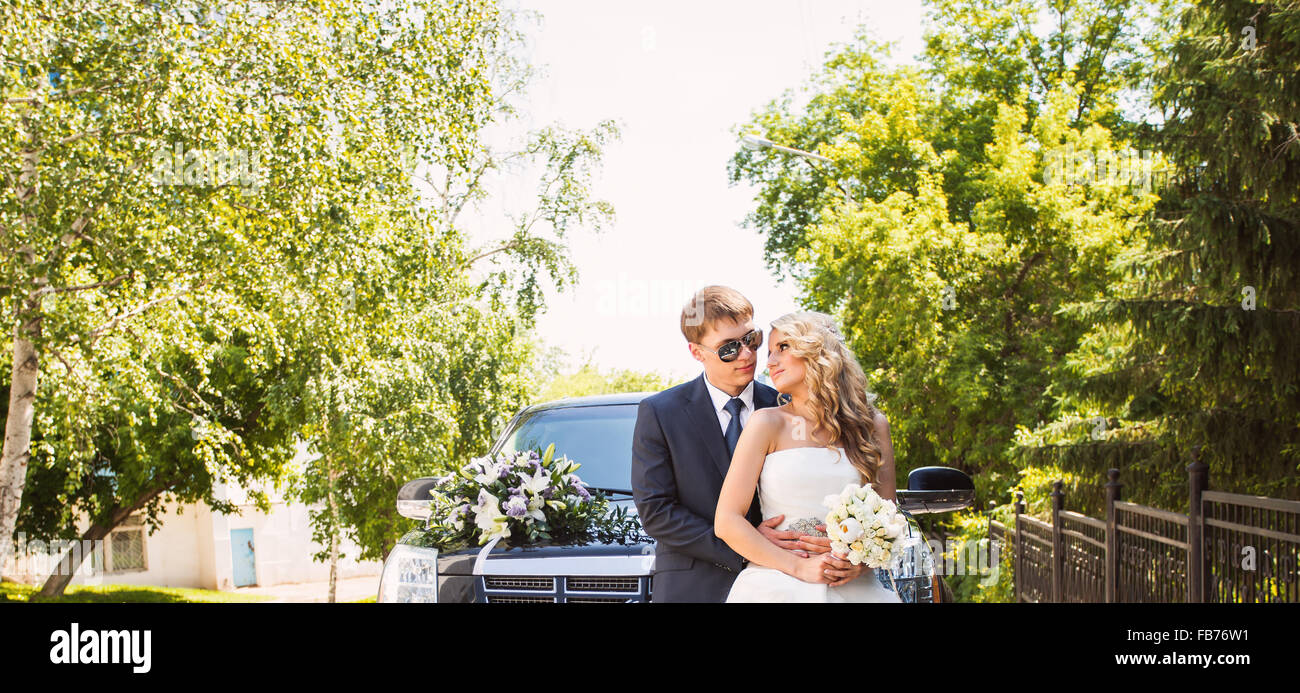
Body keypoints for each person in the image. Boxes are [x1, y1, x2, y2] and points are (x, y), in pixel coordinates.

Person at [631, 286, 864, 602]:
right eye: (728, 348)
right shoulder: (660, 412)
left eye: (751, 340)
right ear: (697, 352)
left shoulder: (785, 405)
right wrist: (747, 544)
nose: (747, 354)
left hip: (797, 585)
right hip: (693, 585)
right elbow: (657, 511)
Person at [715, 310, 902, 602]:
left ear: (818, 349)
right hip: (776, 584)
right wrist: (800, 567)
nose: (771, 361)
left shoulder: (873, 426)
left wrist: (860, 564)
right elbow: (727, 521)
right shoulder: (766, 423)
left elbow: (889, 518)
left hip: (856, 587)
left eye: (783, 347)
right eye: (770, 352)